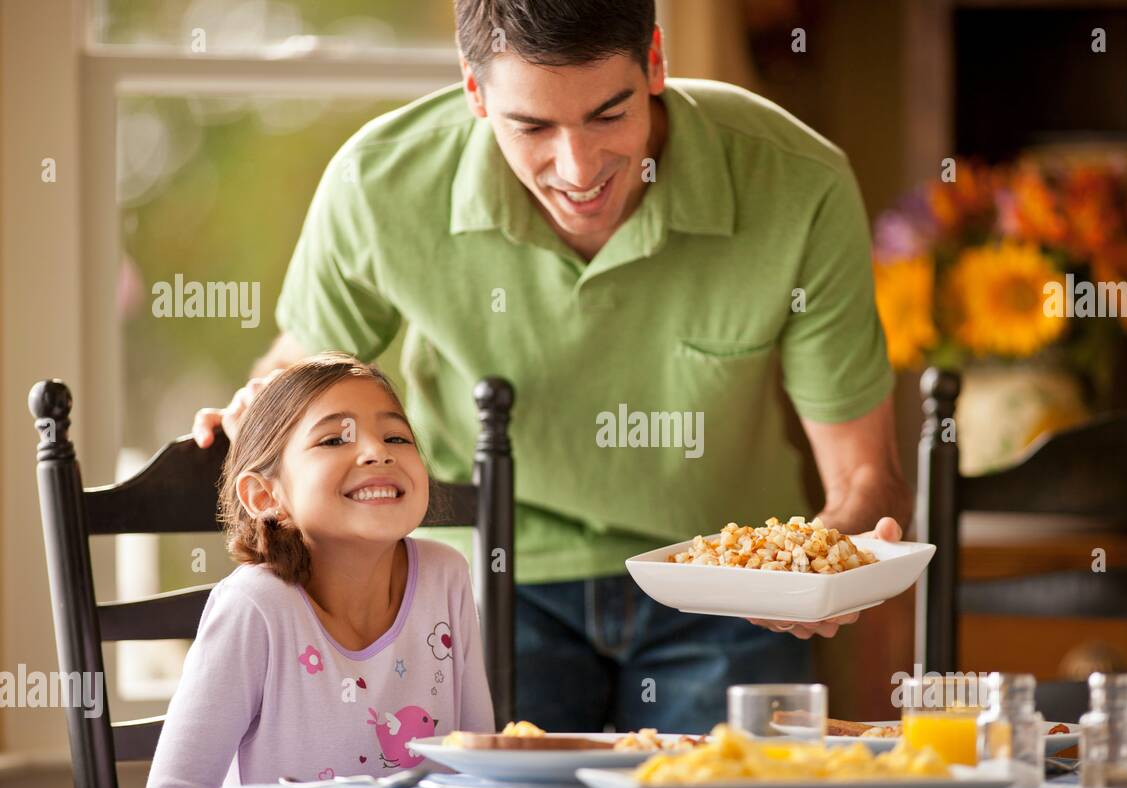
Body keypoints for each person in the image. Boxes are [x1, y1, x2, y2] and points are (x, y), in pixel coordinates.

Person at [191, 0, 910, 734]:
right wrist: (261, 405)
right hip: (485, 582)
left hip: (727, 591)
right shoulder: (378, 184)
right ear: (474, 90)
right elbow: (302, 365)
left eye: (608, 114)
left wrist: (829, 565)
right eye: (532, 127)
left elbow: (862, 475)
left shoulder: (800, 183)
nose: (578, 169)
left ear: (655, 61)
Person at [143, 353, 493, 788]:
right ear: (265, 494)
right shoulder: (255, 607)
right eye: (334, 439)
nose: (377, 451)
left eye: (397, 437)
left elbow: (477, 771)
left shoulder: (446, 575)